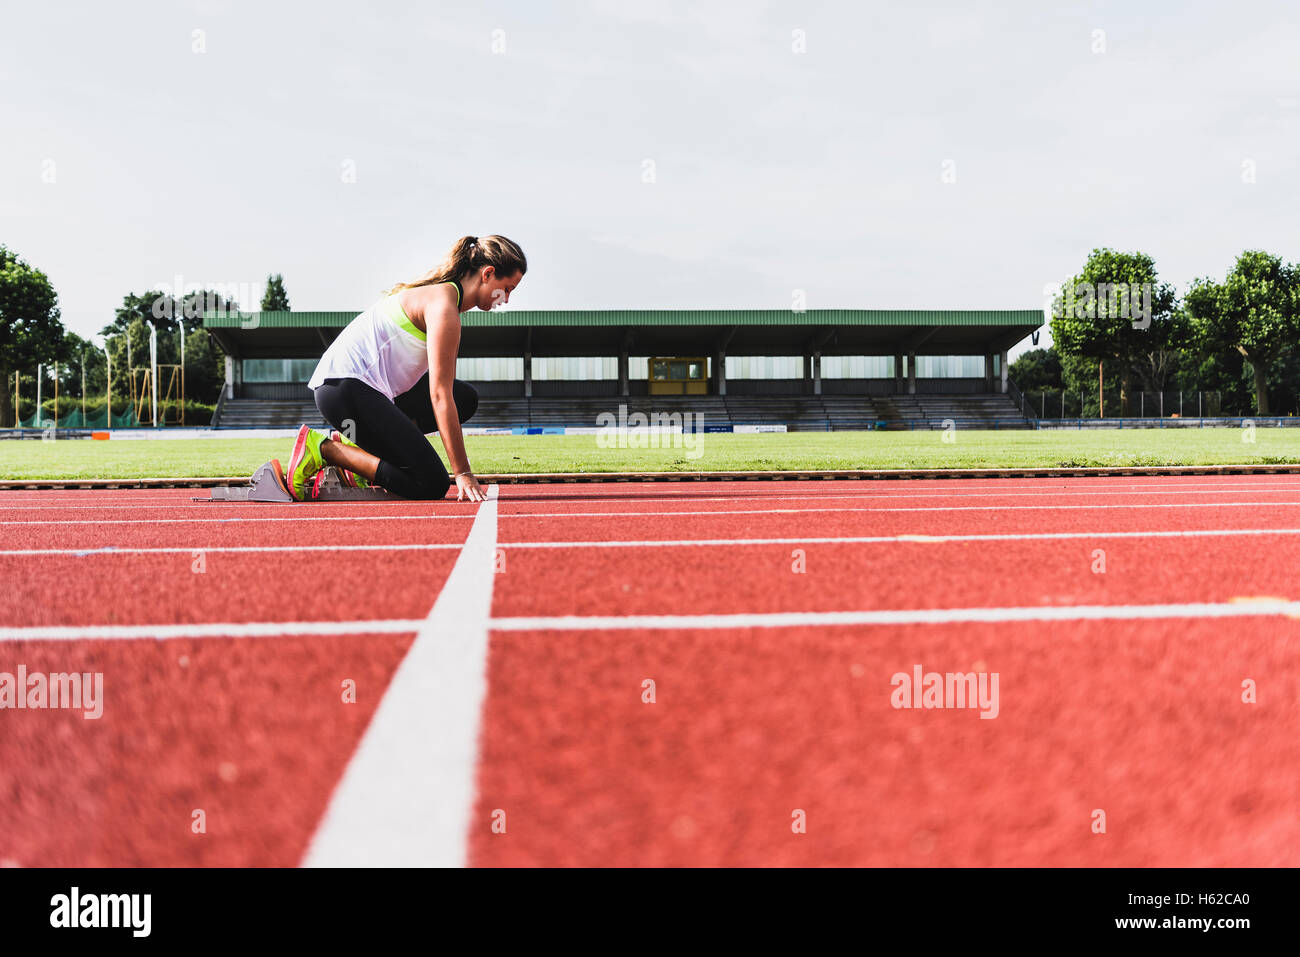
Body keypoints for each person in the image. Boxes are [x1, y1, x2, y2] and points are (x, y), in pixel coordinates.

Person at [284, 234, 526, 502]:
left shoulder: (444, 298)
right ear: (488, 273)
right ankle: (325, 449)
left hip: (360, 389)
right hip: (344, 389)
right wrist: (463, 473)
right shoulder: (443, 306)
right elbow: (439, 395)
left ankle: (357, 445)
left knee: (465, 399)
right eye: (507, 289)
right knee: (431, 483)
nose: (506, 299)